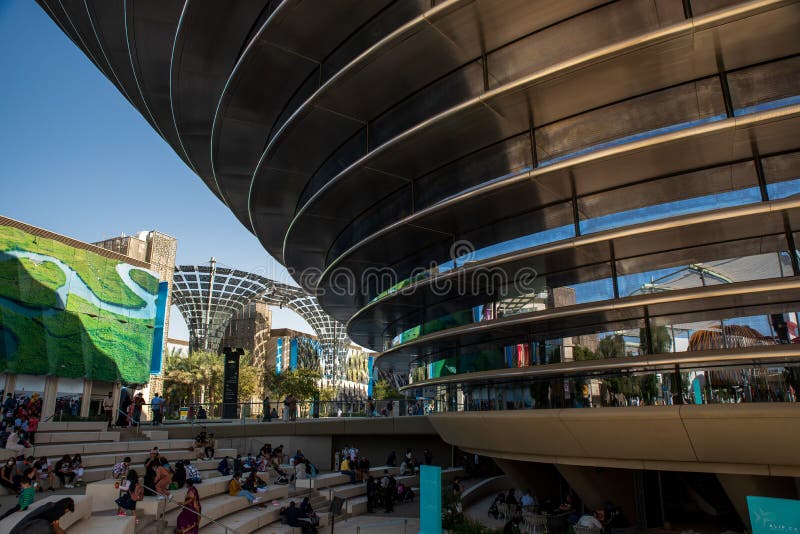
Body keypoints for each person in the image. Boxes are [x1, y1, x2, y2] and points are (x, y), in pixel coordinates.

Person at [9, 497, 75, 534]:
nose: (66, 513)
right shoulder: (57, 513)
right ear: (66, 508)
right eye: (67, 511)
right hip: (25, 530)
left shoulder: (51, 505)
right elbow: (57, 529)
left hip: (19, 528)